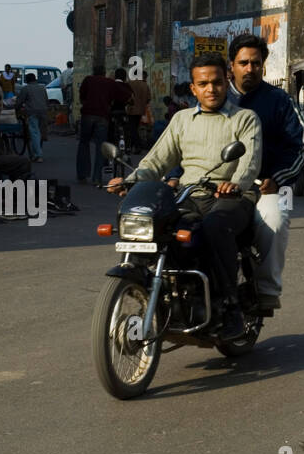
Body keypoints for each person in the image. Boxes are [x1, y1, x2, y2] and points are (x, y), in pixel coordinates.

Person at [106, 53, 262, 341]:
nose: (210, 89)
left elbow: (249, 161)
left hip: (230, 195)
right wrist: (129, 180)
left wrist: (236, 183)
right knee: (161, 226)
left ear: (227, 81)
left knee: (215, 226)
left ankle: (231, 308)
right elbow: (156, 161)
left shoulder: (244, 118)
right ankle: (172, 294)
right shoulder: (181, 120)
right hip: (190, 193)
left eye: (216, 82)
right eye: (203, 84)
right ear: (193, 88)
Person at [227, 32, 304, 312]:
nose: (250, 68)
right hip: (219, 185)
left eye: (256, 63)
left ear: (263, 65)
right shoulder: (216, 96)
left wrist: (279, 179)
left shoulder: (279, 101)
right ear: (232, 66)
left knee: (274, 221)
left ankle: (266, 288)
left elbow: (301, 146)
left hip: (270, 185)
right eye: (244, 62)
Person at [76, 64, 132, 185]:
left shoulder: (88, 80)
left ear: (93, 71)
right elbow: (124, 95)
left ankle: (82, 174)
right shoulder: (110, 83)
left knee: (84, 143)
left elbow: (82, 97)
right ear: (104, 72)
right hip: (103, 116)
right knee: (100, 146)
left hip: (88, 114)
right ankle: (97, 178)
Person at [17, 73, 49, 162]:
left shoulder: (26, 88)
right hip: (43, 111)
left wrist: (16, 109)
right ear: (35, 79)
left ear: (27, 80)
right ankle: (36, 153)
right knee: (39, 132)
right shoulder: (43, 88)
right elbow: (46, 100)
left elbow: (19, 101)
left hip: (32, 112)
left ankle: (38, 155)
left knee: (34, 133)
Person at [124, 71, 152, 152]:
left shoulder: (129, 83)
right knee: (135, 128)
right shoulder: (145, 85)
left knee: (132, 129)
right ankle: (134, 146)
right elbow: (148, 99)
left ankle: (137, 145)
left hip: (131, 109)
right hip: (140, 110)